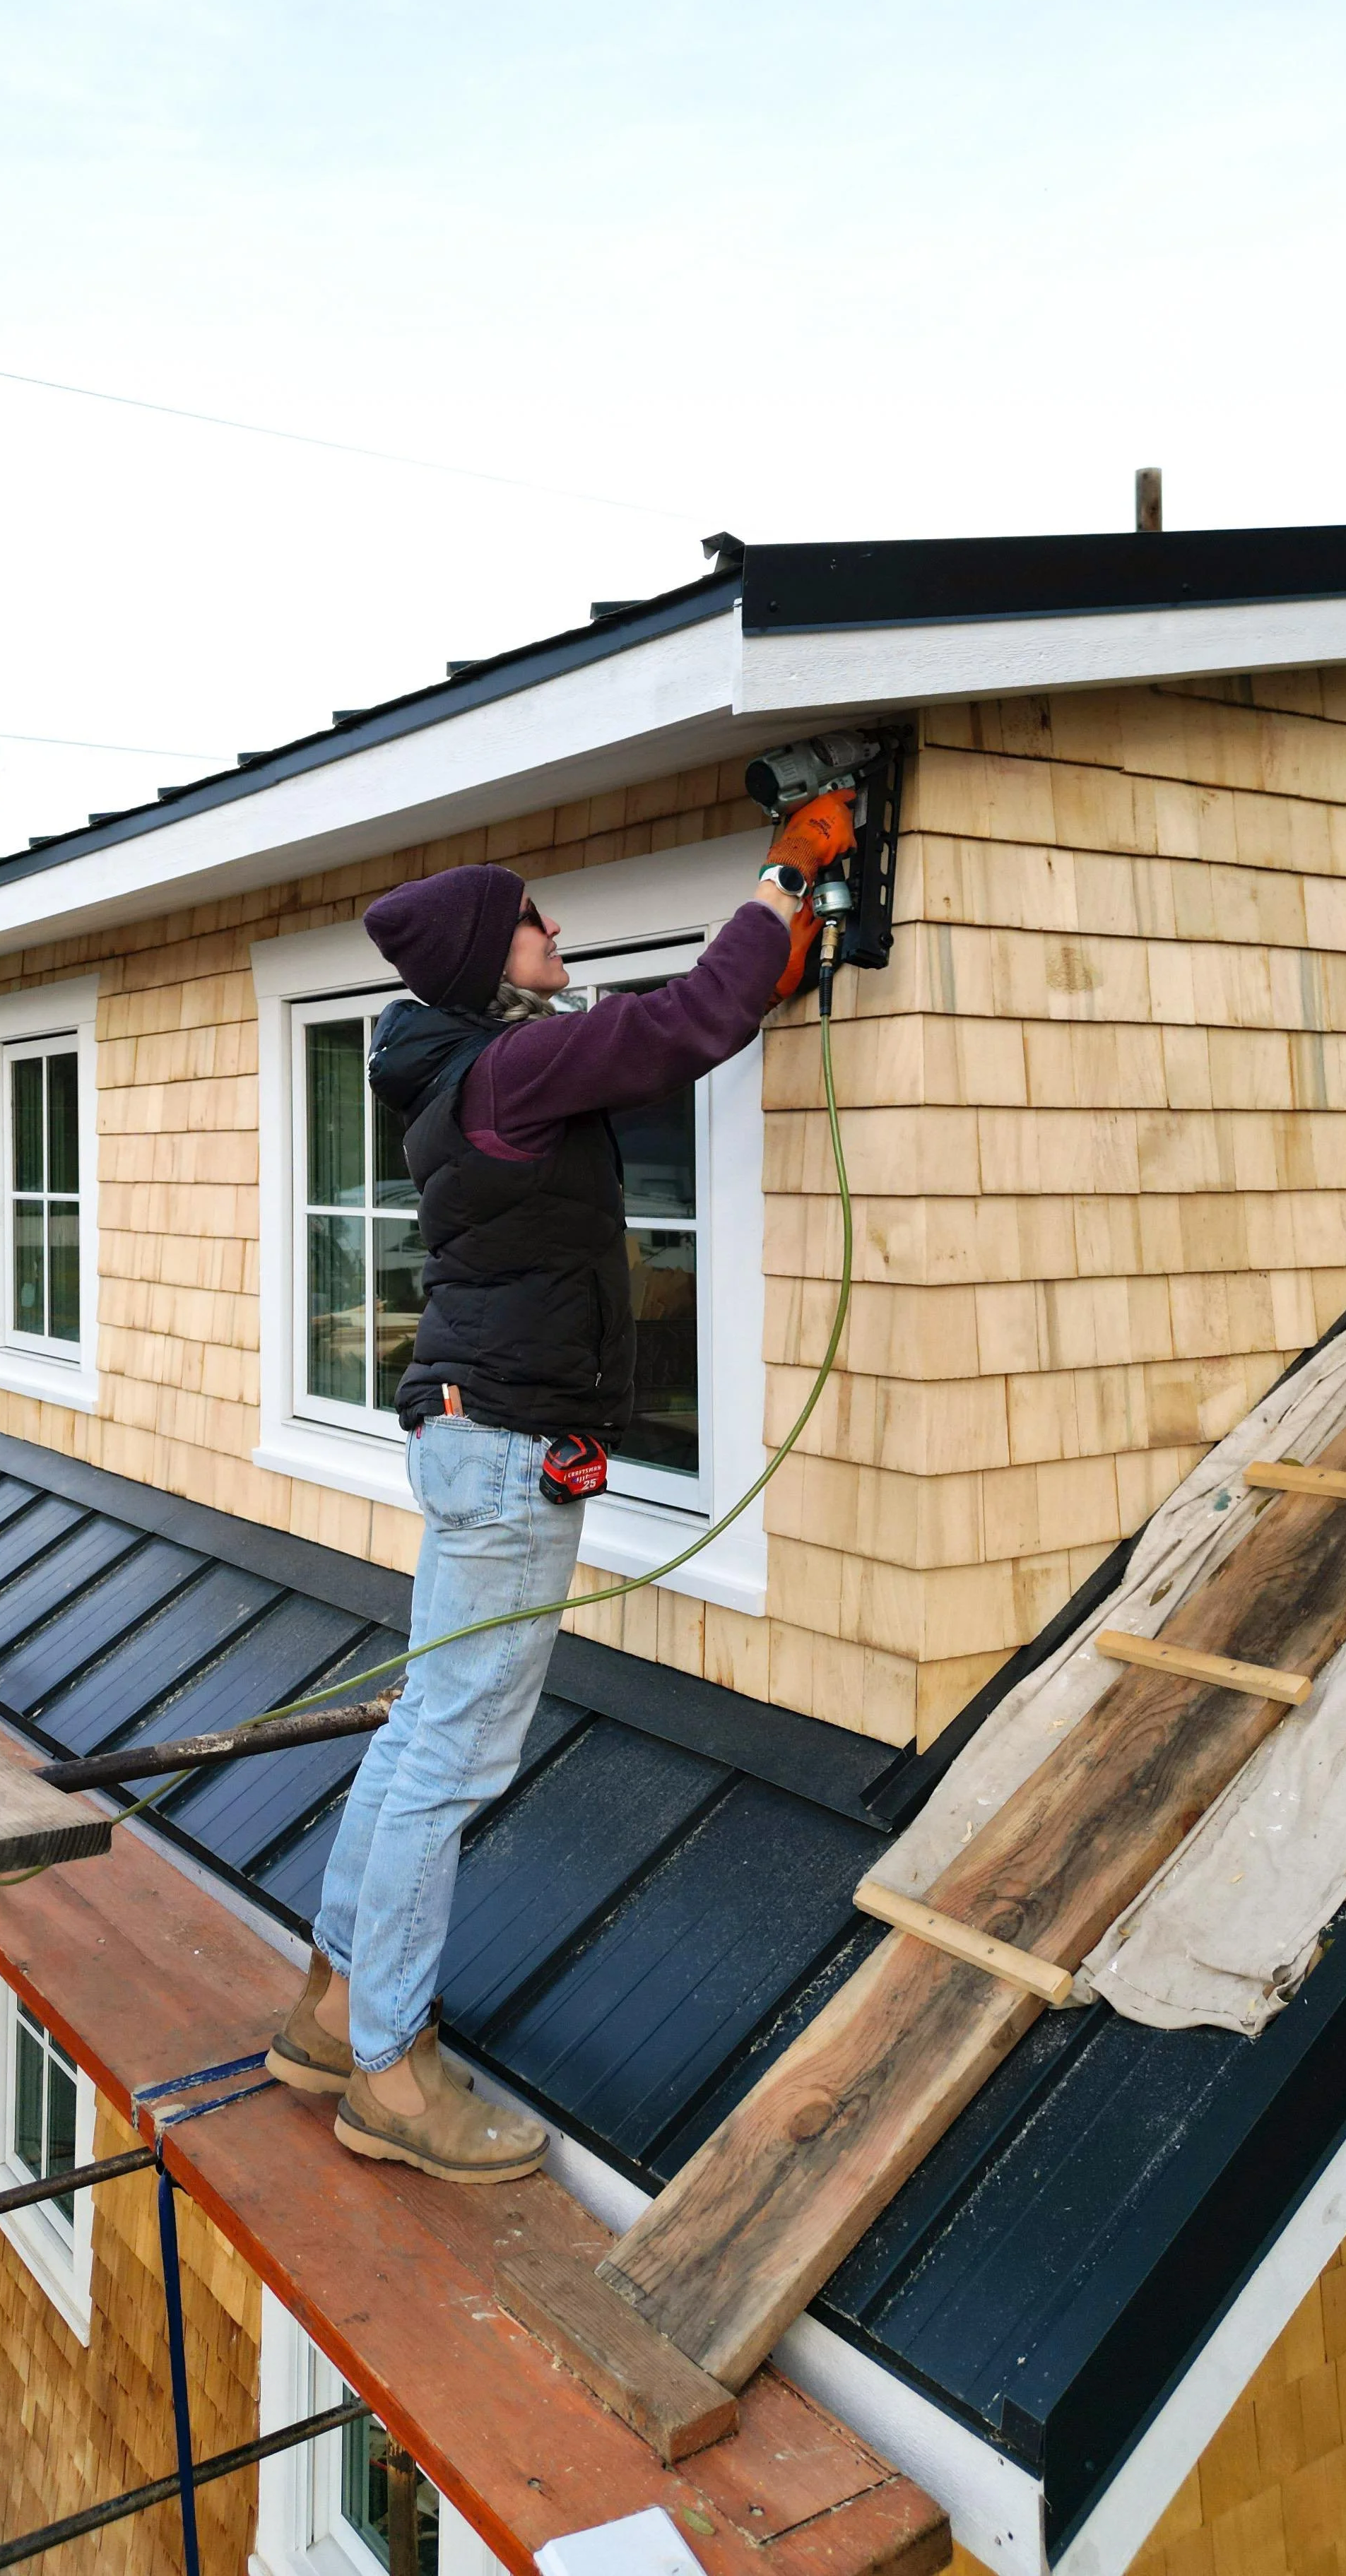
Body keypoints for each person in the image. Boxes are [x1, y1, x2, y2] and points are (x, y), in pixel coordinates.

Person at [266, 787, 855, 2181]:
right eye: (535, 919)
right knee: (451, 1763)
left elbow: (663, 1034)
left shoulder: (466, 1072)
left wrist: (761, 969)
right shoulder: (503, 1070)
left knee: (418, 1735)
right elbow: (670, 1031)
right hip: (509, 1447)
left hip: (474, 1435)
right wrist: (783, 880)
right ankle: (391, 2076)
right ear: (489, 956)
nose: (556, 929)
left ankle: (333, 2009)